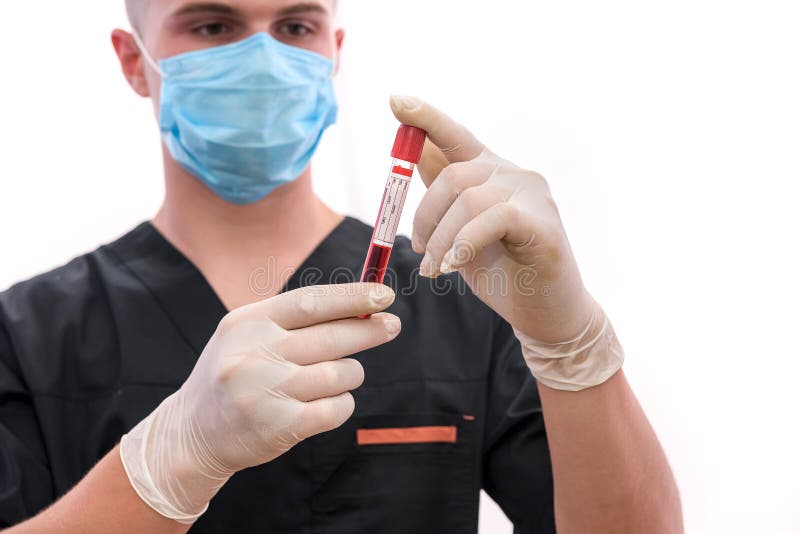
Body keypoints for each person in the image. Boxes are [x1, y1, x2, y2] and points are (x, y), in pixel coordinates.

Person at [0, 1, 683, 532]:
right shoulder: (30, 336)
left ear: (333, 51)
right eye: (212, 24)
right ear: (132, 58)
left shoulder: (465, 297)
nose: (262, 59)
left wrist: (572, 342)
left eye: (296, 25)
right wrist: (162, 467)